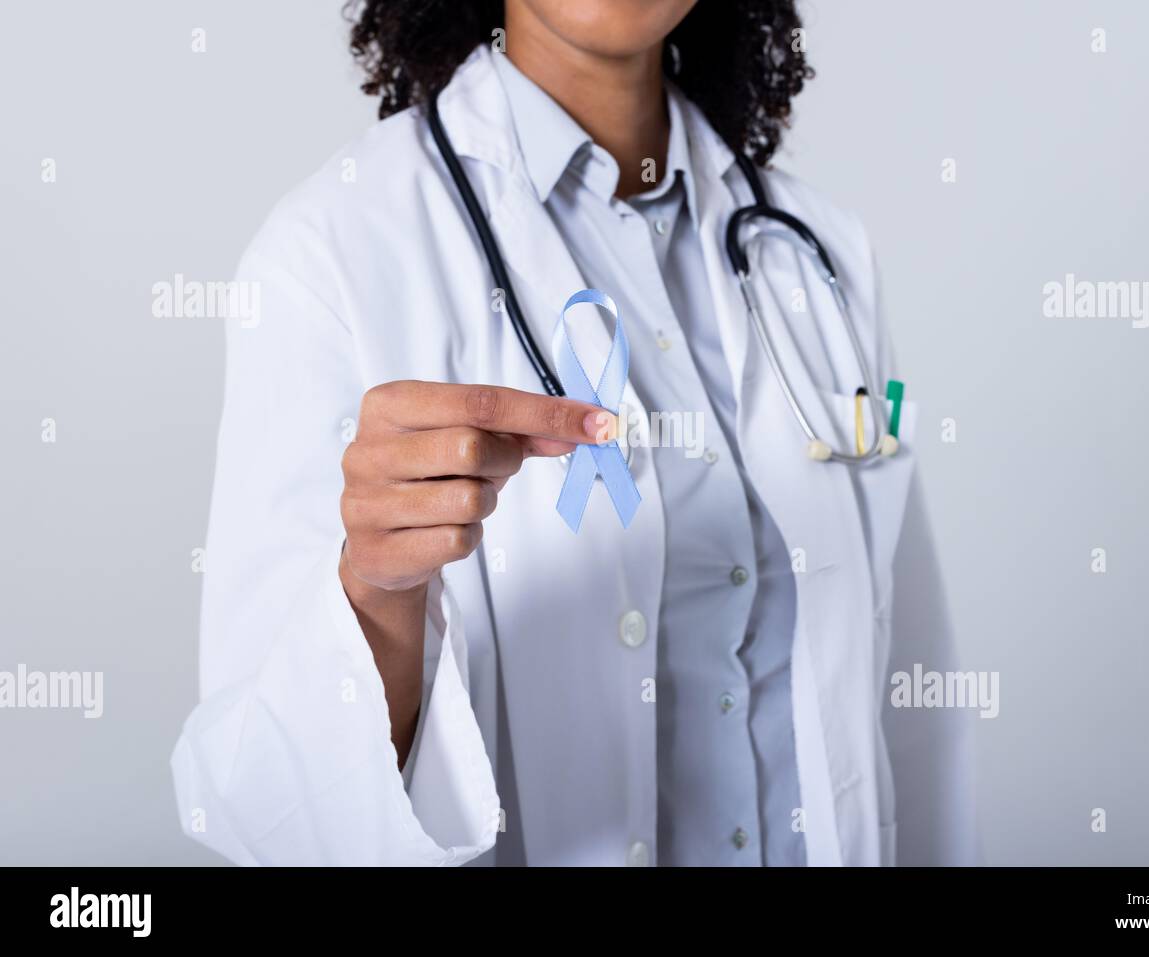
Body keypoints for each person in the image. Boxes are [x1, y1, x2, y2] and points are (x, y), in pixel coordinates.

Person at [171, 0, 979, 866]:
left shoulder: (819, 253)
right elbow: (258, 805)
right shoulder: (333, 256)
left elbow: (912, 712)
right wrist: (377, 594)